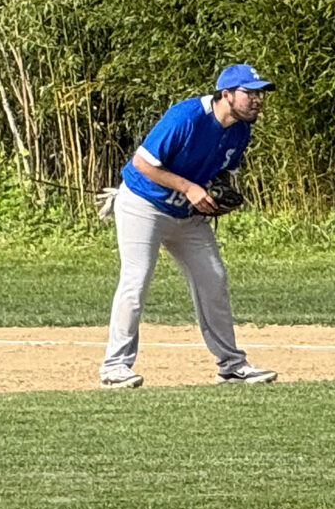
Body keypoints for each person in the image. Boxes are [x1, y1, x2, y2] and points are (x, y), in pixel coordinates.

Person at [100, 63, 280, 388]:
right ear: (226, 94)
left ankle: (231, 366)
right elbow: (142, 164)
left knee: (214, 280)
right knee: (135, 281)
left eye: (259, 94)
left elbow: (222, 174)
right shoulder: (186, 117)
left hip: (188, 216)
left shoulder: (241, 130)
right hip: (144, 205)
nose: (257, 100)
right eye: (249, 93)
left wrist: (214, 194)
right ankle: (115, 368)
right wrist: (189, 188)